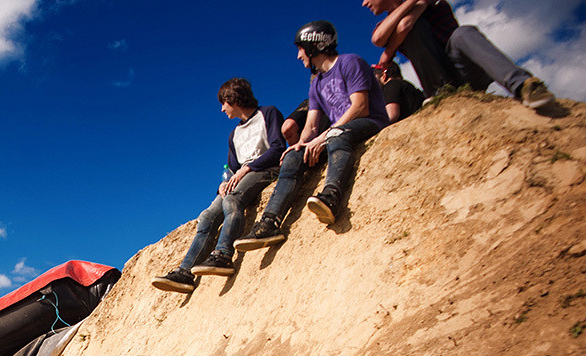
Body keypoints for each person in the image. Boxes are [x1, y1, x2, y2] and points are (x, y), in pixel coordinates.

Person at [235, 20, 389, 250]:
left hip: (369, 123)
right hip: (336, 132)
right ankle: (269, 224)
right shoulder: (316, 84)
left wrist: (324, 137)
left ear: (314, 45)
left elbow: (360, 108)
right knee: (293, 156)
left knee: (337, 134)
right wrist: (300, 145)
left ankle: (331, 197)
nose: (299, 56)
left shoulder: (350, 62)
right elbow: (311, 126)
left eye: (300, 49)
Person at [152, 78, 286, 293]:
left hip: (265, 170)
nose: (222, 109)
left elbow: (278, 148)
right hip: (241, 176)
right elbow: (232, 167)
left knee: (233, 200)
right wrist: (224, 184)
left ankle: (223, 255)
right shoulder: (234, 134)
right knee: (207, 216)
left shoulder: (268, 113)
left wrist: (247, 169)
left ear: (234, 99)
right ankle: (185, 273)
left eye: (224, 103)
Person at [362, 0, 555, 109]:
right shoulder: (386, 25)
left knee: (463, 33)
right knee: (412, 29)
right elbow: (379, 38)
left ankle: (524, 85)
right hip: (438, 82)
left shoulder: (436, 5)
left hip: (466, 71)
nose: (364, 3)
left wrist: (389, 51)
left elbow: (405, 25)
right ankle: (442, 91)